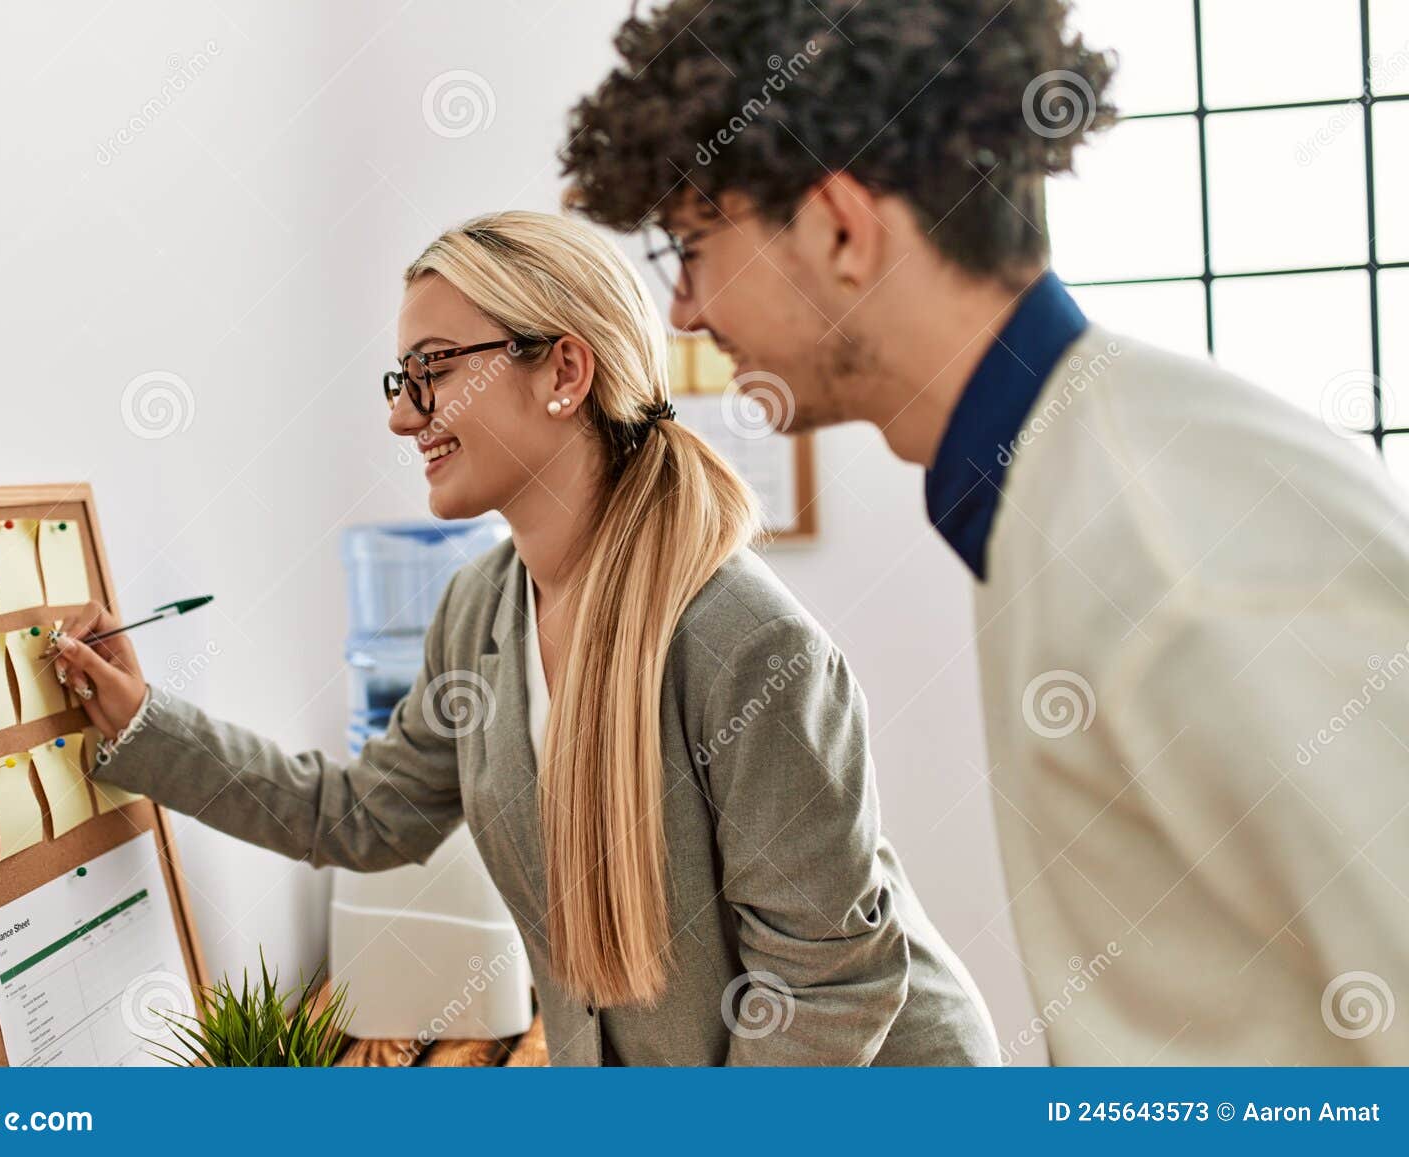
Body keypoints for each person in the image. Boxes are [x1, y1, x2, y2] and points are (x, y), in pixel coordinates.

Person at [557, 0, 1409, 1064]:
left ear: (838, 228)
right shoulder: (1045, 485)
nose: (680, 310)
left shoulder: (1172, 543)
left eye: (691, 247)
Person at [54, 209, 997, 1066]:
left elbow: (828, 986)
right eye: (400, 377)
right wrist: (144, 721)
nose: (399, 413)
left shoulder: (743, 642)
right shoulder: (478, 611)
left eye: (435, 369)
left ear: (565, 372)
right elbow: (360, 814)